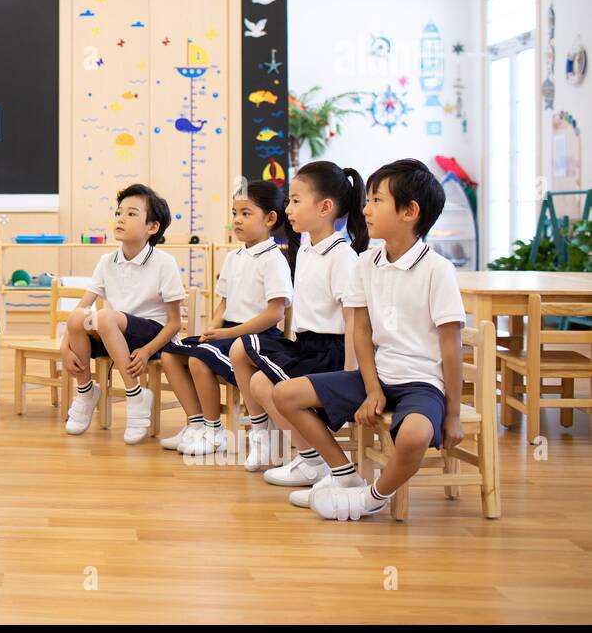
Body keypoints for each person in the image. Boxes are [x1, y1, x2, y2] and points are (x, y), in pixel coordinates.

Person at [275, 159, 465, 520]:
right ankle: (344, 476)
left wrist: (453, 414)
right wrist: (372, 387)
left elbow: (450, 348)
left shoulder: (438, 271)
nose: (366, 209)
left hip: (421, 383)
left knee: (413, 436)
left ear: (410, 212)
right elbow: (360, 331)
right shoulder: (366, 262)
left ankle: (372, 497)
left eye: (377, 200)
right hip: (376, 375)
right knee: (285, 394)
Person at [229, 161, 367, 476]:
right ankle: (306, 458)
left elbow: (353, 321)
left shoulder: (342, 257)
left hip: (330, 353)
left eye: (295, 200)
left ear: (325, 207)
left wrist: (349, 374)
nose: (288, 208)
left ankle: (313, 461)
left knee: (258, 370)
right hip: (305, 347)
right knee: (254, 371)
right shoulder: (305, 250)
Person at [158, 179, 295, 457]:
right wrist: (212, 328)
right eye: (235, 213)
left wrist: (227, 334)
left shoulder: (274, 259)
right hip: (229, 334)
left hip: (256, 339)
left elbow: (275, 313)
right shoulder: (234, 257)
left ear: (270, 218)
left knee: (198, 358)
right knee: (171, 355)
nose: (237, 220)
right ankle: (196, 424)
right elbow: (224, 303)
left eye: (246, 213)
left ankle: (214, 430)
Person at [61, 184, 186, 444]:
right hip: (113, 334)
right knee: (78, 317)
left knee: (105, 316)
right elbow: (81, 308)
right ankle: (86, 392)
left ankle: (135, 394)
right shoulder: (107, 261)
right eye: (119, 212)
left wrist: (148, 350)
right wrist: (65, 346)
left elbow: (175, 323)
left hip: (152, 336)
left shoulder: (165, 263)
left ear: (152, 227)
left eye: (131, 214)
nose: (120, 218)